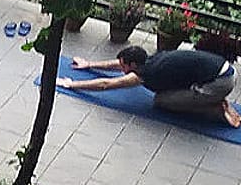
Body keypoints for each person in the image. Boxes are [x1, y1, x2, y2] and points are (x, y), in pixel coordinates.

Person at [58, 46, 241, 128]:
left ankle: (215, 106)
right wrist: (89, 64)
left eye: (125, 68)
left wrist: (72, 84)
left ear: (134, 66)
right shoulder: (149, 59)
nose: (122, 70)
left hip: (218, 83)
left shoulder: (147, 73)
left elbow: (107, 84)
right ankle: (213, 97)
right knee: (169, 90)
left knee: (162, 101)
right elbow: (118, 64)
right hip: (224, 70)